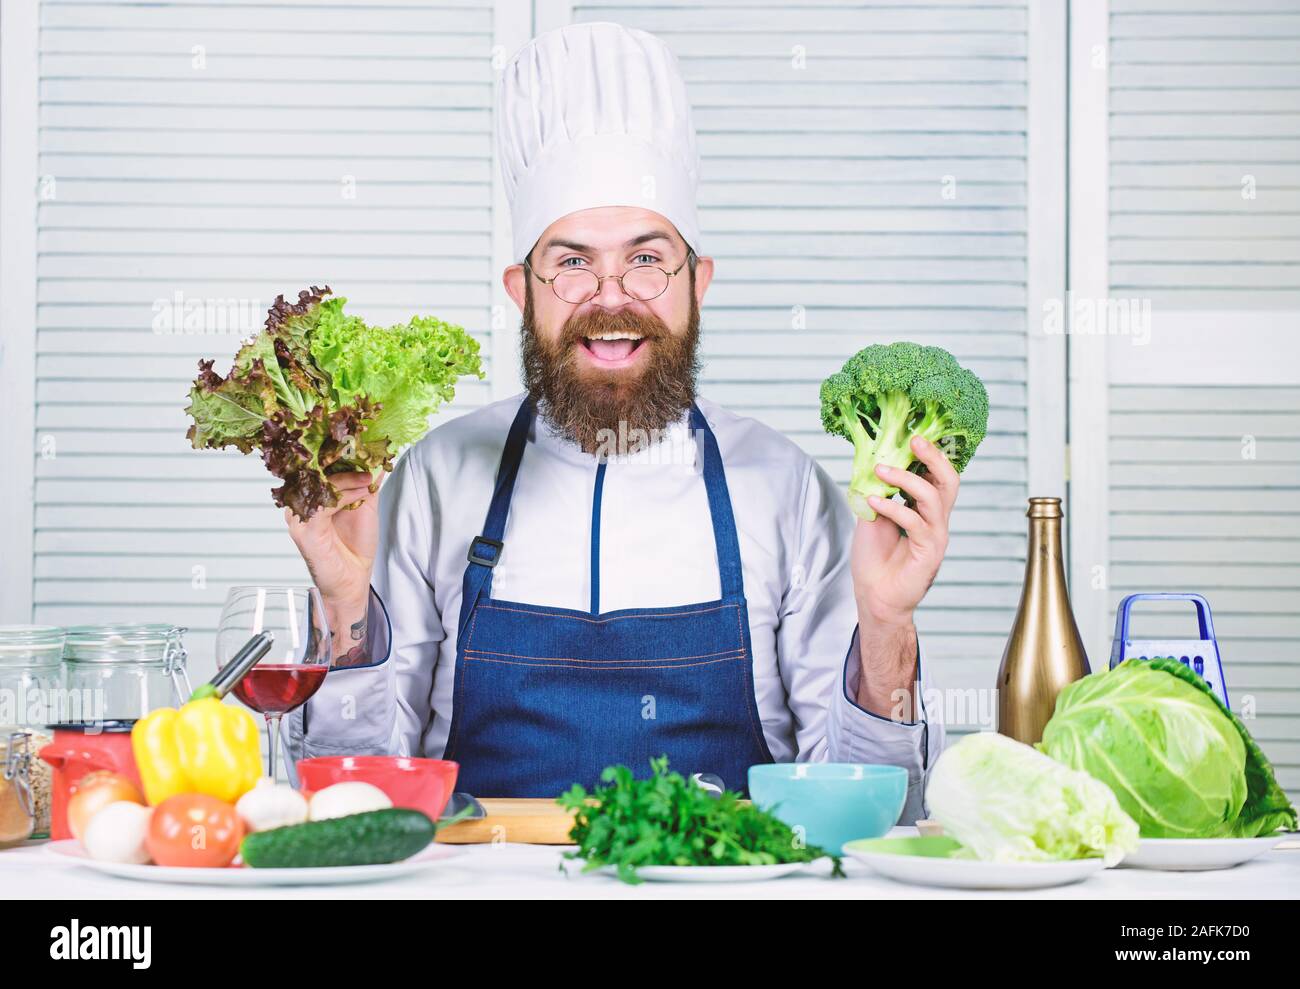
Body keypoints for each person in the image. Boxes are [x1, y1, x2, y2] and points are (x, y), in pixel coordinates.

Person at [283, 21, 955, 821]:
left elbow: (874, 816)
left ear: (697, 282)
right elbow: (355, 803)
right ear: (519, 292)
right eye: (571, 262)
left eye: (646, 258)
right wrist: (344, 607)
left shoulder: (785, 487)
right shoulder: (435, 478)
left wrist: (885, 626)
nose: (611, 297)